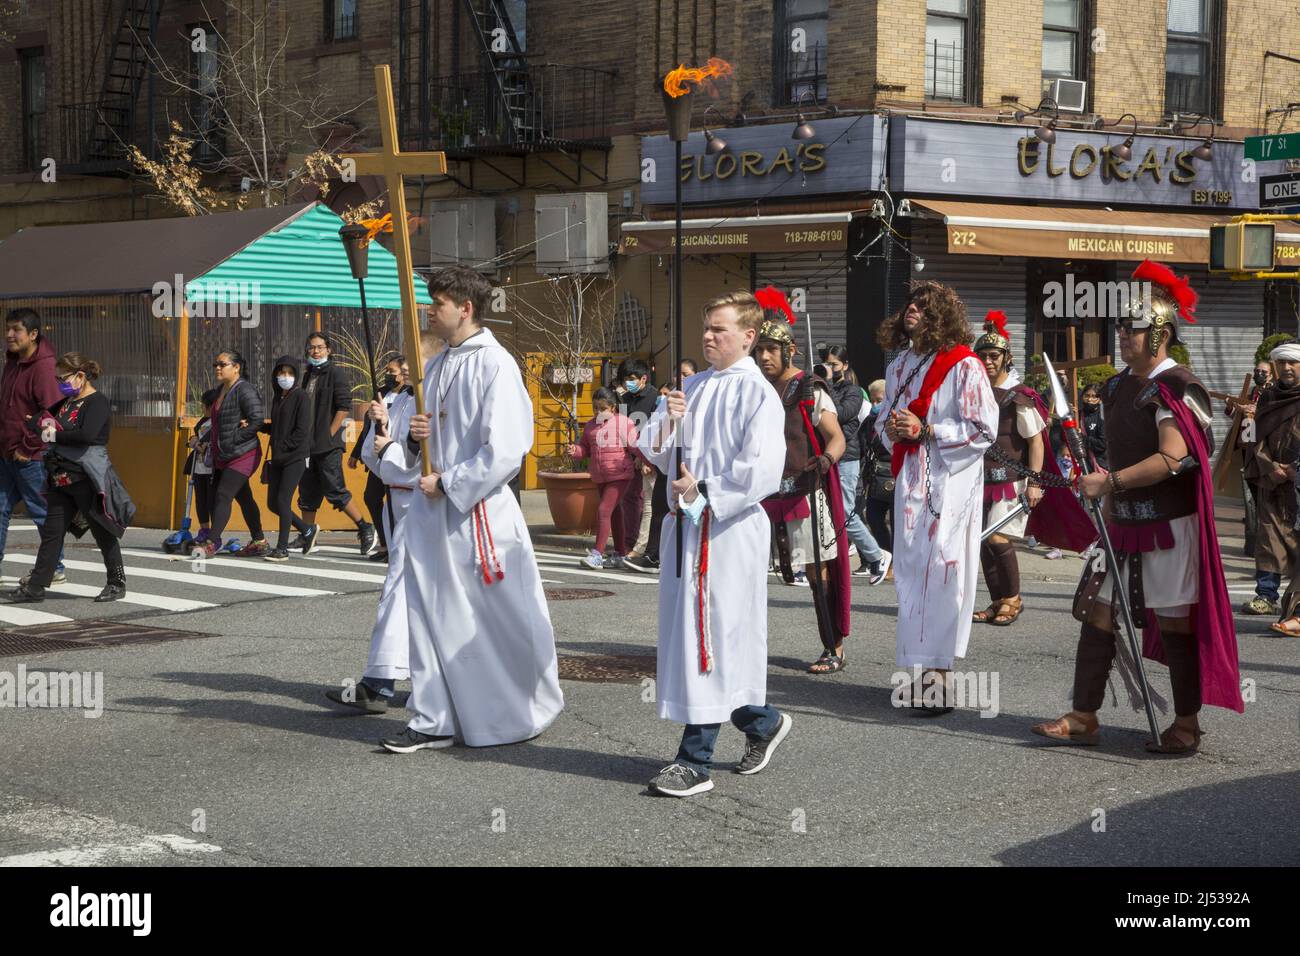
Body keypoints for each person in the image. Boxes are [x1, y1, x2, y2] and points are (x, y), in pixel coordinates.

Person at [1033, 260, 1242, 754]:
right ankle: (1084, 714)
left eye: (1134, 329)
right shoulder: (1118, 384)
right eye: (1121, 327)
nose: (1123, 336)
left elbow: (1174, 458)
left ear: (1160, 334)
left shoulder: (1175, 386)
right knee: (1097, 611)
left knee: (1173, 621)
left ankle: (1187, 723)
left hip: (1169, 524)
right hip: (1121, 521)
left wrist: (1110, 483)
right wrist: (1107, 498)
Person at [379, 265, 563, 754]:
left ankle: (509, 712)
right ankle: (433, 716)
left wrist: (451, 481)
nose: (428, 311)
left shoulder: (495, 364)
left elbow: (507, 448)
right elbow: (427, 440)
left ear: (465, 308)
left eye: (437, 303)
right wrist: (415, 440)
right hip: (431, 512)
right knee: (429, 613)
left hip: (475, 514)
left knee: (488, 619)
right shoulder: (437, 364)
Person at [638, 291, 788, 797]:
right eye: (705, 327)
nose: (707, 336)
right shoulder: (691, 386)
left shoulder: (758, 394)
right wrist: (667, 419)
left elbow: (763, 469)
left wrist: (704, 490)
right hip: (685, 531)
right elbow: (654, 453)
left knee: (713, 637)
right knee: (694, 638)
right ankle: (761, 721)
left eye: (719, 329)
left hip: (726, 531)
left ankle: (694, 759)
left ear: (748, 336)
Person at [874, 280, 998, 714]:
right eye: (910, 303)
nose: (912, 310)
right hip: (909, 481)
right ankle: (921, 673)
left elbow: (984, 429)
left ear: (941, 315)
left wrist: (927, 430)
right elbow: (886, 420)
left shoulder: (964, 366)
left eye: (923, 306)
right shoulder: (898, 366)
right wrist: (890, 429)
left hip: (950, 482)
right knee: (911, 577)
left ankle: (940, 680)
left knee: (943, 575)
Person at [753, 287, 852, 673]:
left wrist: (826, 460)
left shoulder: (808, 388)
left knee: (817, 572)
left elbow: (837, 438)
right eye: (759, 348)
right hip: (765, 493)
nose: (763, 356)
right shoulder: (757, 388)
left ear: (789, 350)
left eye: (771, 350)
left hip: (805, 492)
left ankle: (834, 646)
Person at [7, 354, 134, 603]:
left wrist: (51, 435)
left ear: (80, 376)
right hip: (59, 477)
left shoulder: (97, 402)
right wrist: (35, 424)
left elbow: (85, 435)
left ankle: (116, 582)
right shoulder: (66, 403)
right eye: (57, 379)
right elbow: (43, 421)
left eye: (63, 378)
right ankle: (36, 587)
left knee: (102, 531)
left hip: (86, 477)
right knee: (52, 534)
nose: (60, 384)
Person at [971, 312, 1046, 627]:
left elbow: (1036, 442)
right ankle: (997, 599)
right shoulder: (974, 393)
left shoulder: (1019, 395)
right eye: (983, 355)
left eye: (993, 355)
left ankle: (1014, 598)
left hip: (1012, 480)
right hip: (979, 480)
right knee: (982, 543)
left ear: (1006, 358)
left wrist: (1034, 481)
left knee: (999, 539)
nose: (988, 361)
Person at [293, 332, 377, 556]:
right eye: (311, 348)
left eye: (320, 347)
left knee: (334, 489)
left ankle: (365, 527)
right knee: (307, 491)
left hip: (328, 444)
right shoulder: (308, 374)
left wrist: (330, 434)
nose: (315, 351)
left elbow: (343, 406)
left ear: (328, 350)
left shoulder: (335, 372)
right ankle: (307, 532)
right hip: (308, 444)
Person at [0, 308, 66, 586]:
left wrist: (28, 448)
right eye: (8, 328)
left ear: (34, 334)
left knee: (41, 511)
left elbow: (52, 415)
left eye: (16, 329)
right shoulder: (13, 361)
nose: (9, 335)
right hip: (7, 452)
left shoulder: (45, 367)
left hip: (32, 457)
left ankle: (56, 566)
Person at [820, 345, 891, 583]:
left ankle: (876, 554)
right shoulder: (820, 387)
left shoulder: (853, 392)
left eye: (834, 365)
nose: (830, 369)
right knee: (827, 513)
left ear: (846, 366)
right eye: (826, 365)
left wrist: (826, 385)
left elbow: (839, 415)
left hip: (846, 459)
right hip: (824, 456)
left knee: (845, 513)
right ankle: (832, 563)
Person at [623, 360, 699, 574]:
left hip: (689, 467)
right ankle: (654, 554)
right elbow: (653, 433)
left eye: (686, 374)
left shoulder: (700, 394)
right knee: (659, 509)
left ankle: (675, 555)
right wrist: (651, 457)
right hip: (667, 464)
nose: (682, 378)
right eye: (679, 374)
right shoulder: (669, 398)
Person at [195, 349, 271, 558]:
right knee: (244, 497)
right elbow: (218, 424)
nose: (218, 368)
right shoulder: (221, 390)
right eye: (215, 365)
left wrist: (236, 438)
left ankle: (211, 543)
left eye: (222, 364)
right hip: (224, 456)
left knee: (223, 495)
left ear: (236, 367)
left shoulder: (244, 390)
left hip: (244, 454)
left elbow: (256, 420)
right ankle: (259, 541)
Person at [1250, 344, 1300, 628]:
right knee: (1268, 540)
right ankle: (1265, 594)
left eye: (1292, 363)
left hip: (1298, 485)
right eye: (1281, 363)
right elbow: (1255, 437)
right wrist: (1270, 466)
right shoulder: (1268, 397)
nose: (1286, 369)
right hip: (1272, 482)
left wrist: (1295, 470)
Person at [348, 356, 412, 562]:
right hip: (378, 456)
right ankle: (385, 543)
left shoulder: (408, 395)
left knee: (392, 501)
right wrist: (356, 453)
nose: (389, 375)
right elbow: (369, 427)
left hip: (396, 456)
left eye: (393, 371)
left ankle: (394, 545)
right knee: (371, 497)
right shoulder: (382, 393)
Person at [568, 387, 639, 569]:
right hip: (601, 475)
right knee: (614, 512)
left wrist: (649, 462)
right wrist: (575, 451)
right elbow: (585, 448)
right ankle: (620, 553)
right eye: (595, 408)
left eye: (602, 408)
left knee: (603, 510)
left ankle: (597, 553)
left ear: (613, 408)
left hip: (619, 474)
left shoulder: (624, 423)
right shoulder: (591, 426)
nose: (598, 412)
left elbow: (635, 447)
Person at [260, 357, 314, 562]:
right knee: (273, 504)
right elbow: (277, 426)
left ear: (296, 376)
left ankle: (282, 548)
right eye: (281, 373)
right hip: (278, 458)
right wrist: (258, 426)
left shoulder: (301, 396)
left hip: (295, 457)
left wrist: (285, 445)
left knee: (283, 500)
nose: (285, 377)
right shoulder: (278, 397)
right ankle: (307, 531)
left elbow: (302, 430)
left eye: (290, 373)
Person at [616, 357, 659, 566]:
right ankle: (629, 545)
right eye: (625, 379)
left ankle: (642, 548)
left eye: (632, 378)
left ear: (643, 378)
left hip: (647, 459)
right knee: (629, 501)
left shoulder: (655, 397)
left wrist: (646, 458)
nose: (627, 383)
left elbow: (654, 431)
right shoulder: (626, 399)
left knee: (649, 505)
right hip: (629, 457)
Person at [187, 388, 219, 548]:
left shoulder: (217, 423)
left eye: (204, 406)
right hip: (198, 468)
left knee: (211, 501)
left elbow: (210, 446)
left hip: (211, 469)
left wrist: (197, 445)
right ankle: (204, 530)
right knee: (200, 501)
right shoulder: (202, 422)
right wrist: (195, 441)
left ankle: (214, 535)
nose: (202, 409)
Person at [1079, 383, 1107, 470]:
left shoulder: (1103, 416)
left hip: (1100, 463)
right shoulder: (1078, 415)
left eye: (1094, 396)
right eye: (1087, 395)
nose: (1090, 399)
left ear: (1099, 399)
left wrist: (1082, 438)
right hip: (1081, 463)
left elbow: (1102, 444)